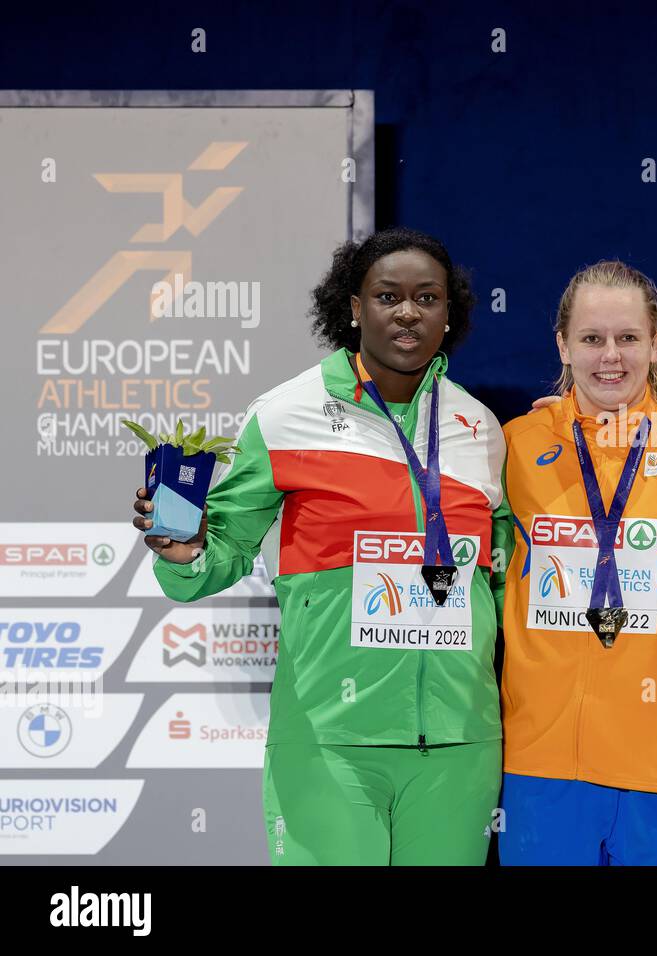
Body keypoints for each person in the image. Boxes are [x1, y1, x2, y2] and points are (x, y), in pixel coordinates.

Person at [133, 227, 511, 865]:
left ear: (451, 314)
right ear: (354, 307)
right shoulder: (286, 415)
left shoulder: (478, 428)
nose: (409, 311)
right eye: (387, 296)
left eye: (429, 297)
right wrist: (186, 551)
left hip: (457, 744)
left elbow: (500, 579)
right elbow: (220, 549)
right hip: (330, 737)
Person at [495, 260, 657, 864]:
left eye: (628, 338)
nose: (611, 356)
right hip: (543, 764)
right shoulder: (516, 444)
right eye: (592, 338)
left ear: (656, 344)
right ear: (563, 344)